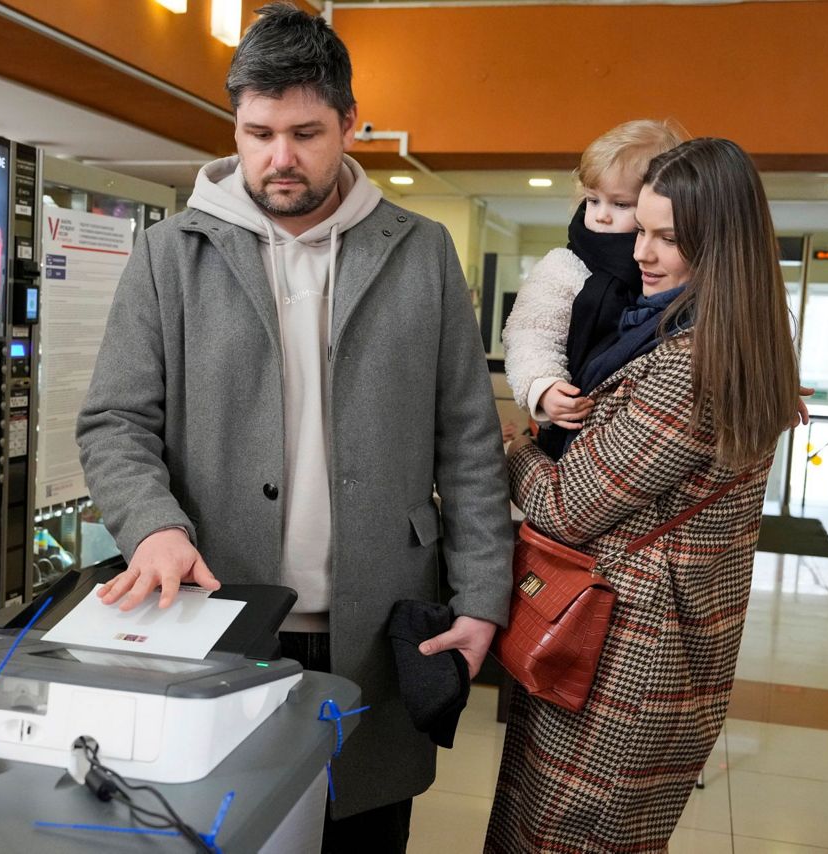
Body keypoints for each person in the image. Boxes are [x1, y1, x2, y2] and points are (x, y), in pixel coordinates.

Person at [74, 4, 513, 850]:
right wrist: (152, 527)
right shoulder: (170, 255)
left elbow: (468, 442)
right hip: (215, 618)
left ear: (351, 123)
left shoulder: (420, 252)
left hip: (381, 630)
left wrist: (482, 597)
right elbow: (114, 422)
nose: (280, 158)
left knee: (362, 831)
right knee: (222, 829)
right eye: (259, 132)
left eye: (307, 132)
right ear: (234, 126)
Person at [484, 138, 801, 852]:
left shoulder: (695, 365)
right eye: (642, 230)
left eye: (668, 238)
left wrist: (513, 449)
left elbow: (567, 503)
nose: (640, 253)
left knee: (565, 836)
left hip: (625, 659)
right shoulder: (732, 341)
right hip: (638, 643)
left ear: (721, 247)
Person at [502, 119, 683, 460]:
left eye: (621, 204)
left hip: (636, 432)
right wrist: (543, 387)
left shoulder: (672, 272)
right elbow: (529, 333)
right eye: (593, 200)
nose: (600, 216)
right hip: (573, 421)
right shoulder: (565, 265)